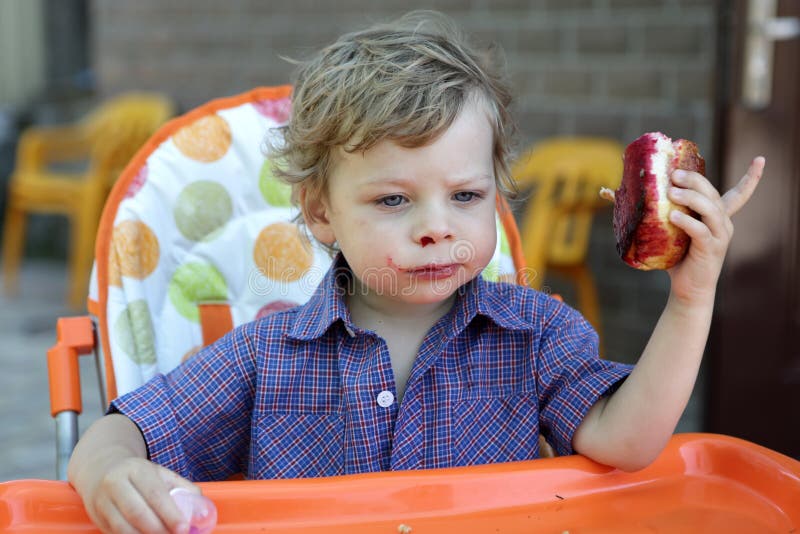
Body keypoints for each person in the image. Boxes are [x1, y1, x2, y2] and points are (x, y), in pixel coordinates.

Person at [67, 10, 764, 534]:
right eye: (393, 199)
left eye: (466, 196)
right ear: (320, 213)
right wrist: (108, 472)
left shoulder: (537, 336)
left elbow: (632, 440)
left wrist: (691, 298)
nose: (437, 225)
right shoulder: (266, 355)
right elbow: (124, 430)